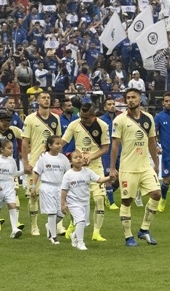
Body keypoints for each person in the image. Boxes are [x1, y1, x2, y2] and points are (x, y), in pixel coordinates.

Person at [108, 87, 162, 247]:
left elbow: (152, 142)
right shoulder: (120, 120)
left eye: (134, 97)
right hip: (128, 168)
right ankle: (128, 236)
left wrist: (156, 164)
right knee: (127, 201)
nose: (130, 100)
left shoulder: (149, 118)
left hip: (145, 166)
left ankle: (144, 229)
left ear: (140, 99)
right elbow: (115, 145)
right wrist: (112, 168)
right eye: (128, 98)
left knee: (157, 194)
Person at [60, 102, 110, 241]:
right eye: (81, 116)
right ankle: (72, 223)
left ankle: (96, 232)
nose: (82, 119)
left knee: (99, 198)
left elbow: (105, 148)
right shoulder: (74, 124)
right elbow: (63, 142)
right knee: (75, 200)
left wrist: (91, 157)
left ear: (93, 116)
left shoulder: (103, 126)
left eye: (86, 117)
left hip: (95, 166)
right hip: (77, 167)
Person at [23, 90, 61, 236]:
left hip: (52, 161)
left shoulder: (55, 118)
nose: (46, 100)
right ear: (37, 101)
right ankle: (34, 226)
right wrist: (25, 162)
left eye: (48, 98)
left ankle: (57, 225)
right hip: (35, 162)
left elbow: (58, 139)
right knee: (33, 194)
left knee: (57, 193)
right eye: (43, 98)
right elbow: (25, 142)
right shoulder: (30, 119)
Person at [61, 149, 111, 251]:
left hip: (85, 202)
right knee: (80, 220)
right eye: (75, 157)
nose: (79, 159)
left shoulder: (88, 172)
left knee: (84, 224)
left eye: (80, 157)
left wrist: (111, 177)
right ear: (71, 161)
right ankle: (80, 243)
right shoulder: (68, 174)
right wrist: (63, 203)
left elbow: (99, 180)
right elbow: (64, 190)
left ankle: (74, 235)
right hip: (74, 202)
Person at [32, 135, 70, 244]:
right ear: (49, 145)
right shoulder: (43, 158)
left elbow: (68, 174)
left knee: (62, 212)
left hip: (60, 187)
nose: (59, 145)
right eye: (57, 143)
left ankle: (50, 225)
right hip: (47, 186)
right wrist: (33, 186)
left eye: (60, 143)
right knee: (52, 212)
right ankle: (53, 236)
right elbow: (37, 172)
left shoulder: (63, 158)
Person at [0, 138, 23, 239]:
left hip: (9, 185)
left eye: (12, 148)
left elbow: (14, 173)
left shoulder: (12, 161)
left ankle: (14, 229)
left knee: (12, 205)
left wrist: (24, 171)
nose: (12, 150)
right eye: (9, 148)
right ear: (2, 149)